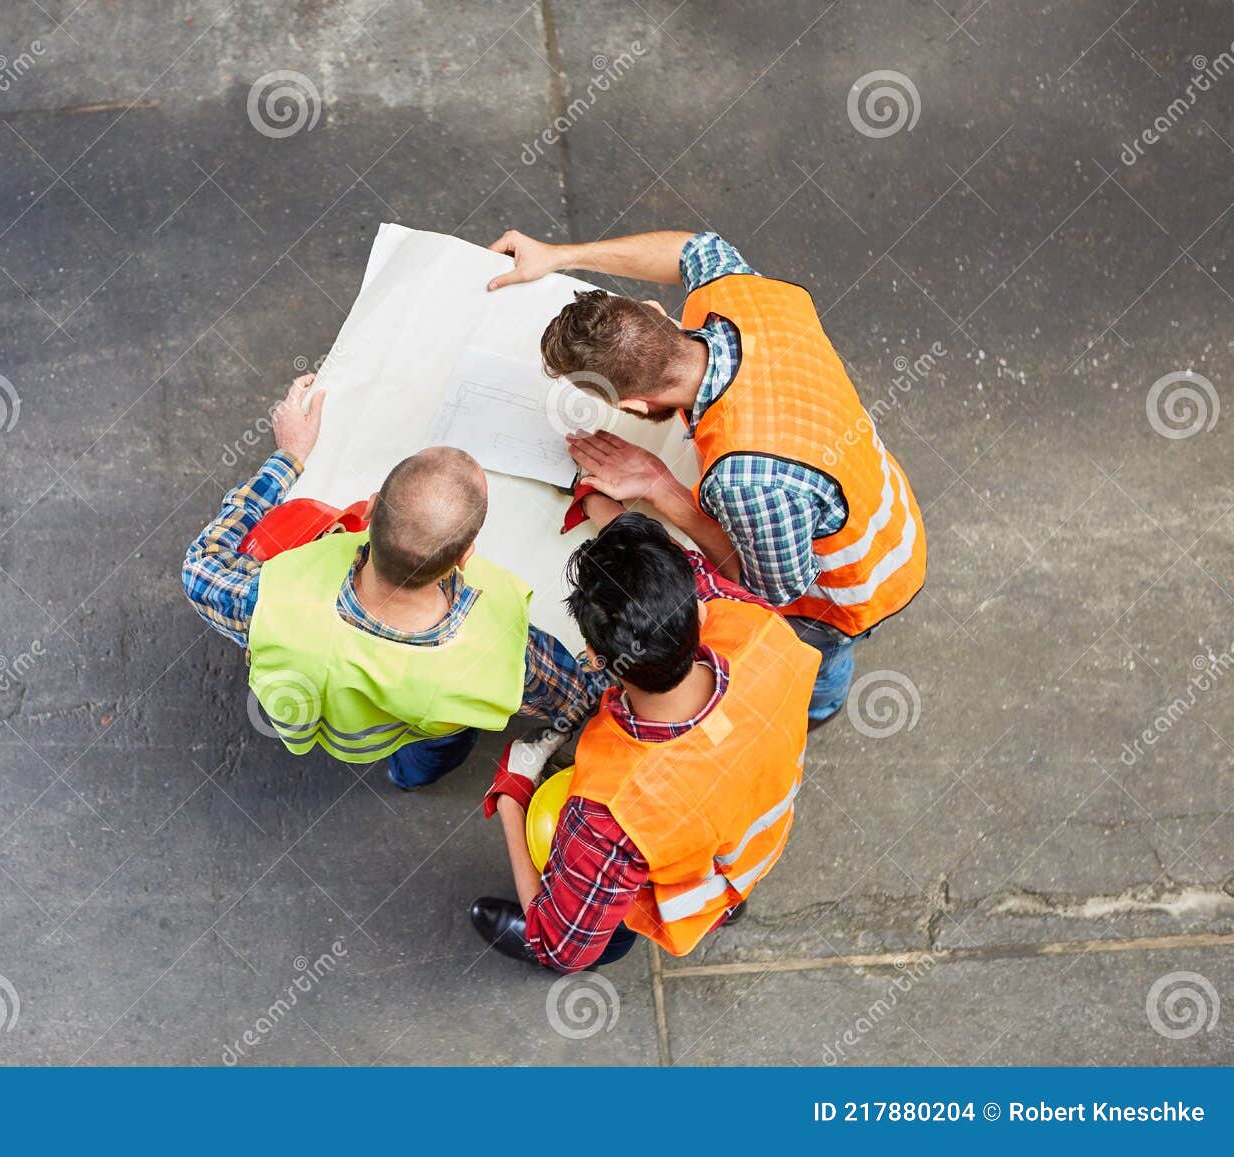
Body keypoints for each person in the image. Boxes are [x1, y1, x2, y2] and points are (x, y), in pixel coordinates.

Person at [486, 228, 926, 724]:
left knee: (815, 657)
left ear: (635, 406)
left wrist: (660, 486)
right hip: (874, 485)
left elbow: (766, 594)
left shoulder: (745, 480)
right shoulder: (744, 298)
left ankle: (815, 704)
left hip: (855, 583)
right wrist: (560, 255)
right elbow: (692, 249)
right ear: (654, 311)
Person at [182, 374, 603, 788]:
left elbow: (201, 566)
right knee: (432, 753)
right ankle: (407, 777)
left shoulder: (268, 602)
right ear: (465, 556)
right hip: (424, 731)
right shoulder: (502, 646)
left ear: (368, 510)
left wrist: (289, 456)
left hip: (332, 728)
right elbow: (577, 697)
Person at [470, 506, 819, 971]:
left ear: (595, 657)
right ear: (698, 611)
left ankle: (608, 939)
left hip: (670, 885)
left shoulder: (611, 813)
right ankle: (723, 906)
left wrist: (513, 797)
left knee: (587, 934)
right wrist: (614, 518)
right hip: (751, 839)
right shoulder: (759, 629)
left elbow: (562, 947)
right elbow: (695, 573)